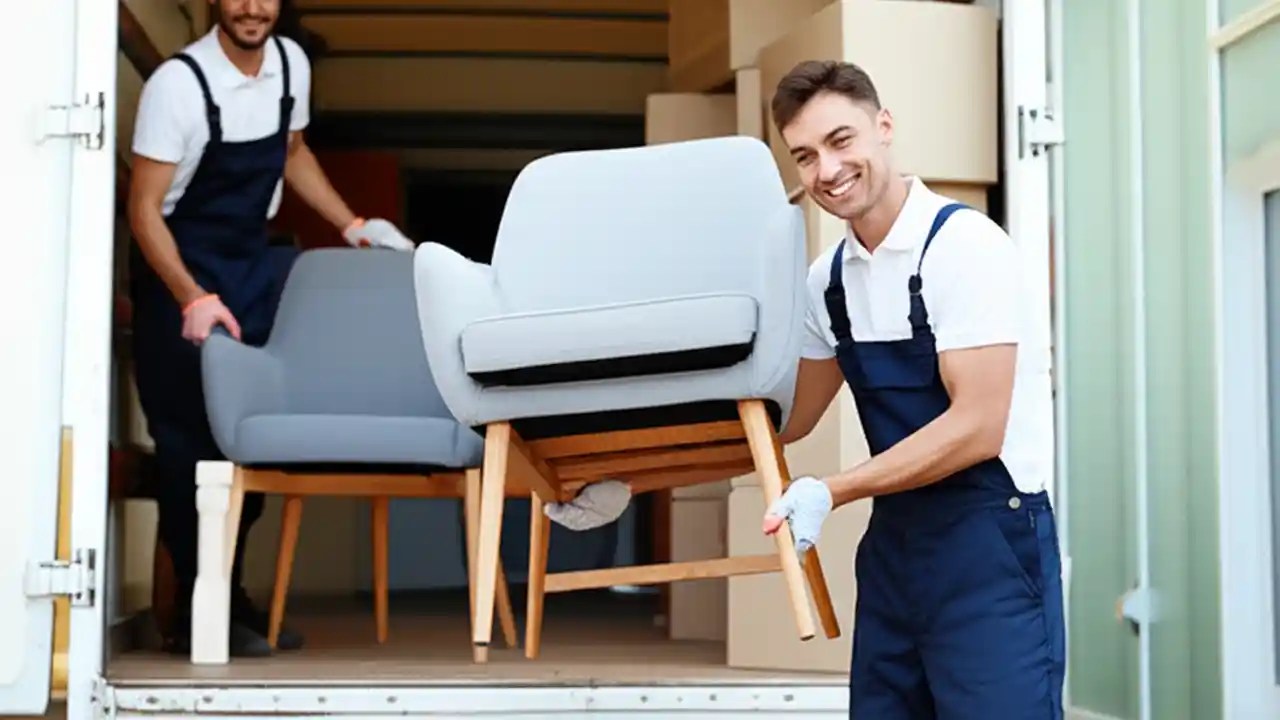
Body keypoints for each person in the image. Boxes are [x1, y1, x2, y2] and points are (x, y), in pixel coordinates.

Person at [761, 60, 1065, 718]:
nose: (828, 170)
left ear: (884, 127)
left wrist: (833, 489)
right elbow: (788, 420)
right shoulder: (828, 283)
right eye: (805, 157)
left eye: (842, 141)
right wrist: (625, 469)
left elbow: (978, 427)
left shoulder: (965, 249)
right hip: (896, 562)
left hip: (991, 559)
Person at [127, 0, 413, 657]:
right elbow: (144, 211)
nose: (252, 7)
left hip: (249, 269)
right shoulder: (179, 85)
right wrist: (190, 296)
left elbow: (293, 153)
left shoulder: (289, 64)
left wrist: (352, 225)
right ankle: (198, 614)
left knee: (248, 445)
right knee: (188, 450)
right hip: (179, 275)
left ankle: (232, 597)